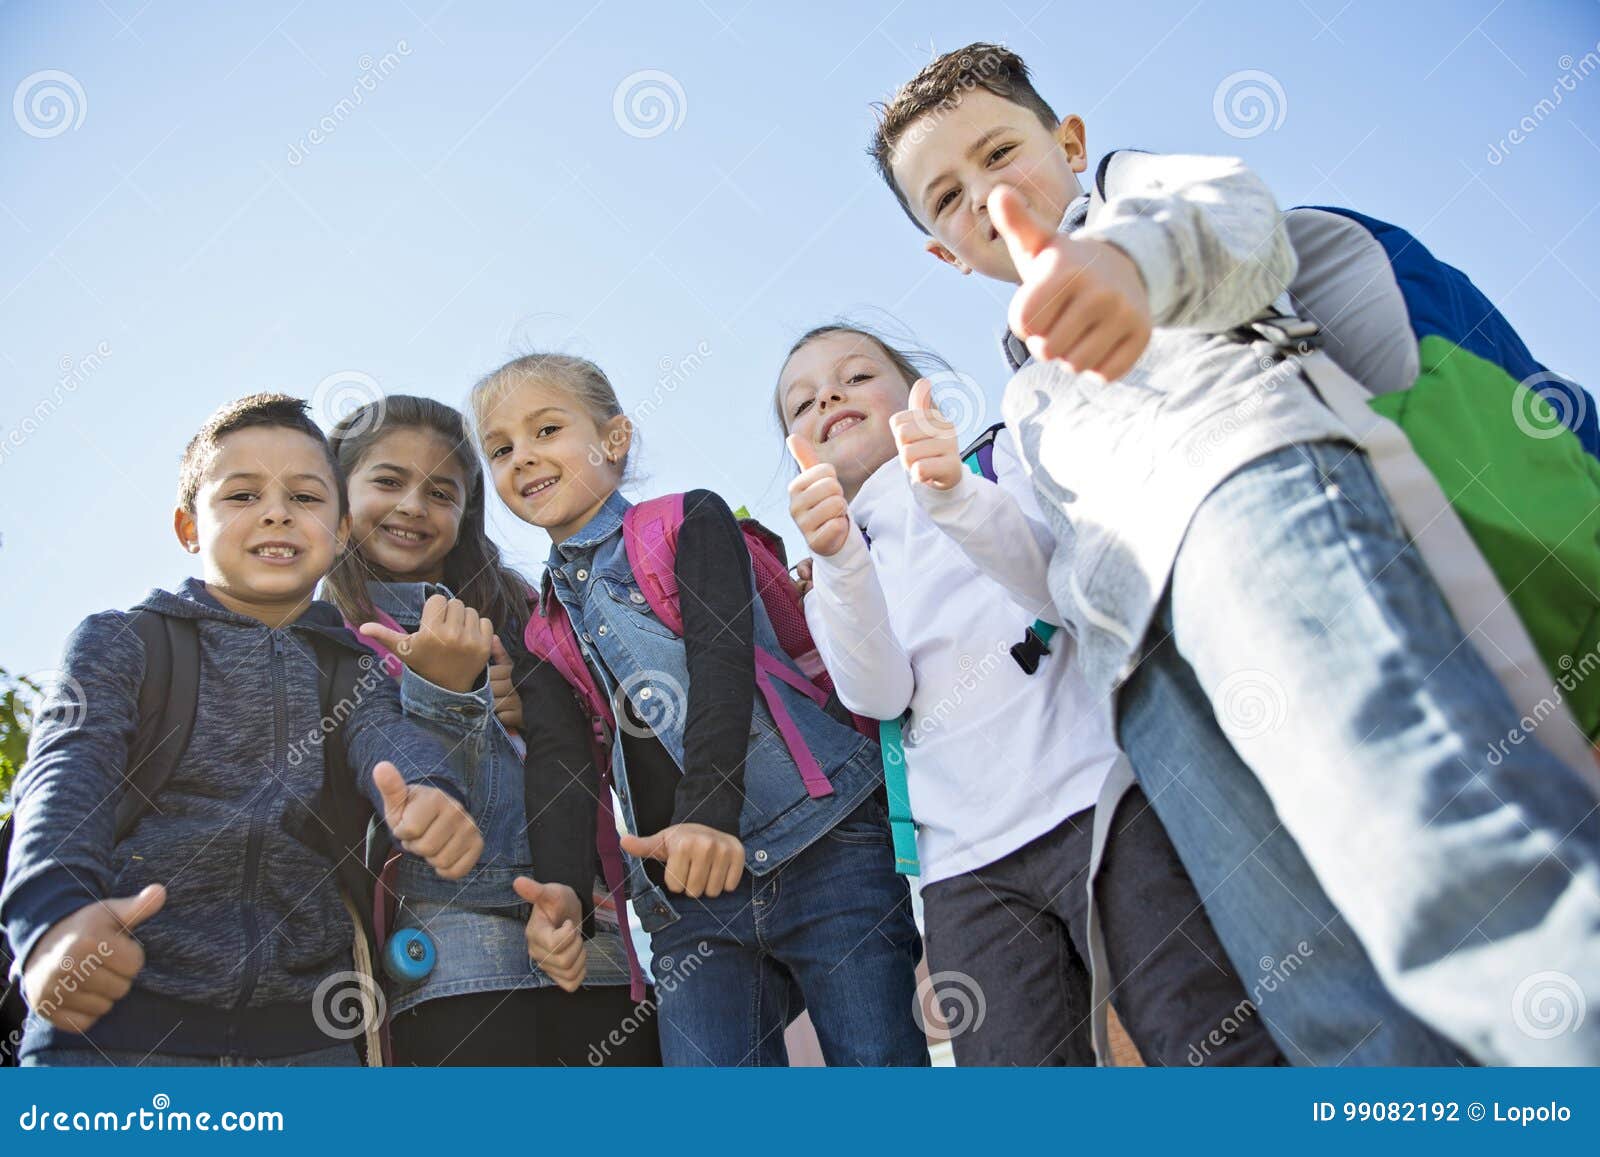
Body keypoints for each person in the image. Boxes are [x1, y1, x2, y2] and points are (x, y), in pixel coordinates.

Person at [869, 40, 1600, 1064]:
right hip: (1148, 678)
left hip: (1248, 508)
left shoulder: (1136, 202)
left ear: (1070, 144)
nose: (984, 195)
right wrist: (951, 497)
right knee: (1328, 1006)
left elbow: (1239, 220)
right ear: (943, 252)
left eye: (999, 152)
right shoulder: (1023, 392)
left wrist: (1127, 264)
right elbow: (1064, 580)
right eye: (946, 196)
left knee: (1447, 875)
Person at [469, 353, 927, 1066]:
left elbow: (723, 663)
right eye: (501, 449)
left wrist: (709, 815)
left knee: (879, 1066)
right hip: (688, 902)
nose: (523, 457)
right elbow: (564, 762)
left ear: (613, 439)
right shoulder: (540, 628)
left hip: (825, 844)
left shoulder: (691, 519)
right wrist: (557, 887)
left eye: (547, 429)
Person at [1, 393, 484, 1066]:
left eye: (306, 497)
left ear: (341, 529)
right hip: (115, 1017)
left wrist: (431, 794)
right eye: (242, 494)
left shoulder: (351, 667)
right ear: (188, 528)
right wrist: (51, 921)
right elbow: (63, 779)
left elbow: (390, 743)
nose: (277, 510)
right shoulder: (124, 641)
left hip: (307, 1033)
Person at [321, 394, 659, 1065]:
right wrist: (450, 693)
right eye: (388, 482)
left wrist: (528, 712)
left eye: (441, 492)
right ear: (335, 496)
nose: (414, 505)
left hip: (582, 934)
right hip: (447, 956)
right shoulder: (323, 638)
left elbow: (594, 748)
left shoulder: (523, 612)